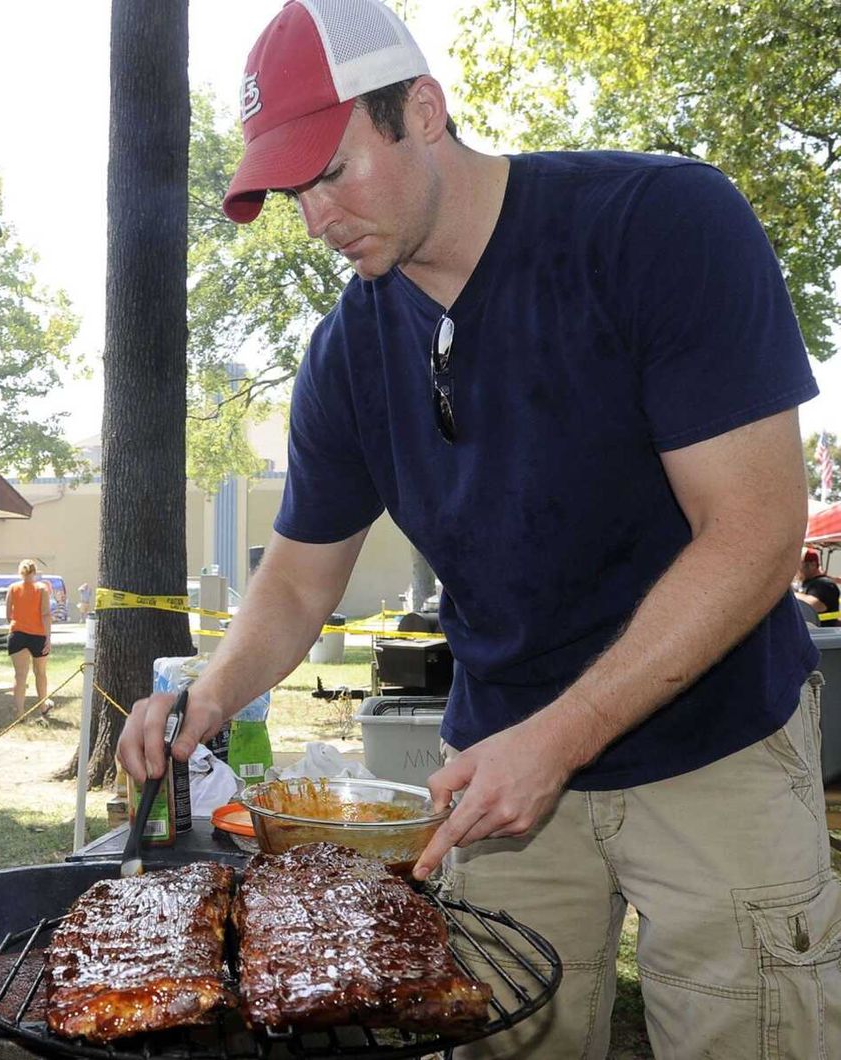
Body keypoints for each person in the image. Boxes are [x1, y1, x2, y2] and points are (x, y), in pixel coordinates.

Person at [118, 2, 840, 1056]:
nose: (315, 220)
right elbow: (299, 580)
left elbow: (757, 532)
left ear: (423, 109)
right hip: (495, 776)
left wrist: (559, 737)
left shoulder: (658, 226)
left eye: (331, 172)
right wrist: (208, 696)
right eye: (291, 193)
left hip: (714, 747)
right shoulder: (346, 355)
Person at [6, 559, 53, 719]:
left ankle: (20, 713)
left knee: (20, 675)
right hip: (38, 635)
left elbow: (8, 615)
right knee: (40, 673)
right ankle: (43, 706)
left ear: (20, 572)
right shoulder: (42, 589)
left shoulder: (13, 588)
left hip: (17, 634)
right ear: (35, 572)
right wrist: (48, 637)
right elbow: (45, 614)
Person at [796, 547, 840, 626]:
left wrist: (790, 594)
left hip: (822, 632)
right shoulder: (806, 582)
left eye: (799, 565)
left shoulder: (824, 584)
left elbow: (814, 605)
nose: (796, 570)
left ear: (812, 565)